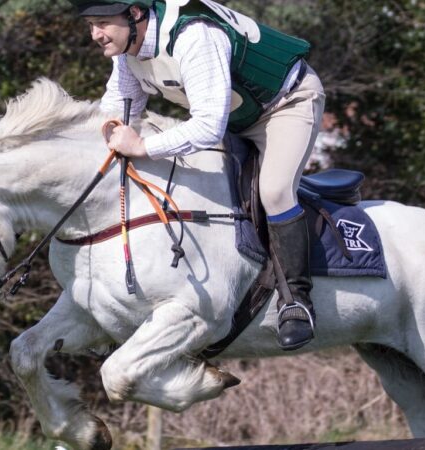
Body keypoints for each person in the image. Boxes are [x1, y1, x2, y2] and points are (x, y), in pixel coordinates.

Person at [70, 0, 325, 351]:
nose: (95, 35)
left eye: (102, 23)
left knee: (275, 190)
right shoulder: (127, 47)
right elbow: (120, 103)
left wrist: (142, 146)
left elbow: (206, 126)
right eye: (91, 25)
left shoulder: (193, 35)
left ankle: (296, 302)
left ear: (135, 14)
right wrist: (112, 131)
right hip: (233, 120)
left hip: (286, 104)